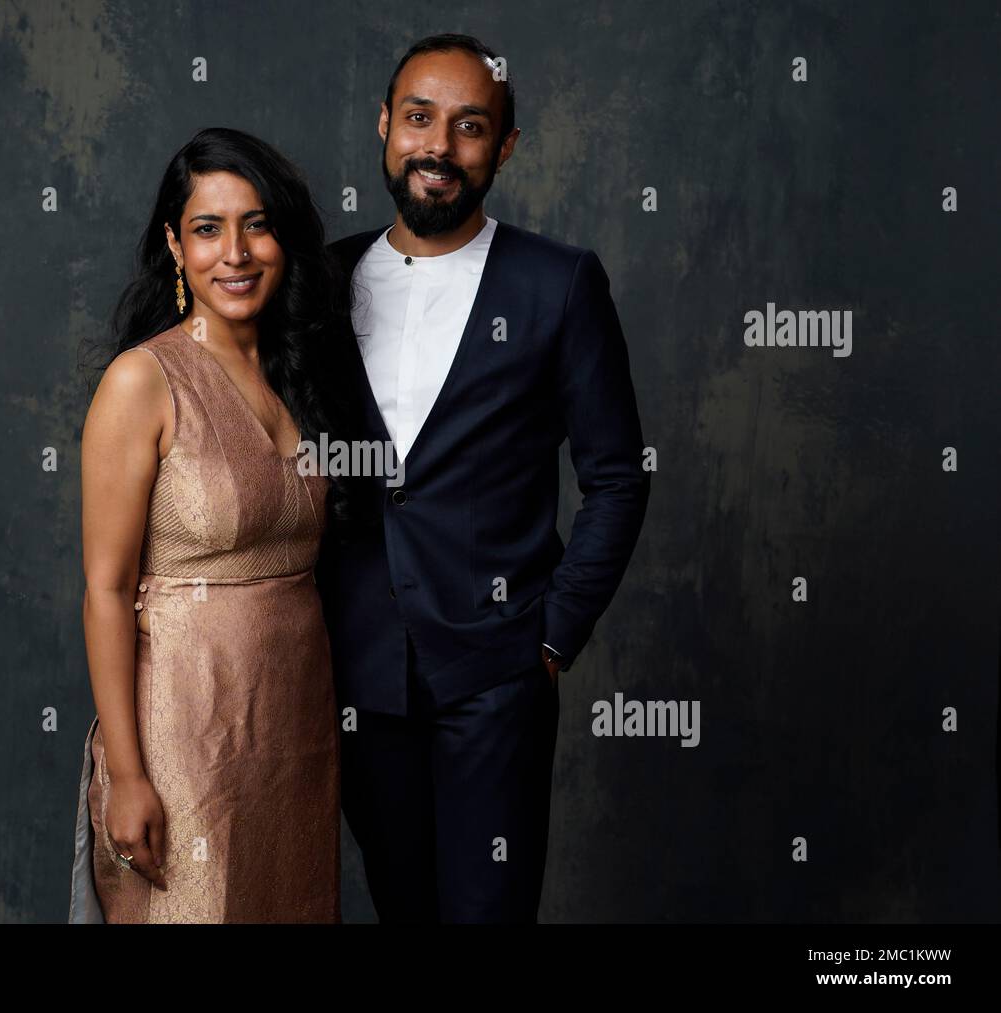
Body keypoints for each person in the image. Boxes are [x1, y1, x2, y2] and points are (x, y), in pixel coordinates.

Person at [316, 34, 651, 922]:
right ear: (386, 126)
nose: (439, 146)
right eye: (419, 118)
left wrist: (550, 640)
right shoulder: (320, 280)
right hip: (357, 678)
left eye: (470, 127)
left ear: (502, 147)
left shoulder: (559, 283)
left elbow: (617, 477)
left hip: (497, 673)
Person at [69, 127, 353, 923]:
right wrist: (127, 773)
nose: (236, 252)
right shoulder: (143, 380)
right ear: (174, 244)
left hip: (294, 728)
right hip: (182, 731)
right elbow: (105, 588)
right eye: (207, 228)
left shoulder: (300, 374)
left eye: (256, 224)